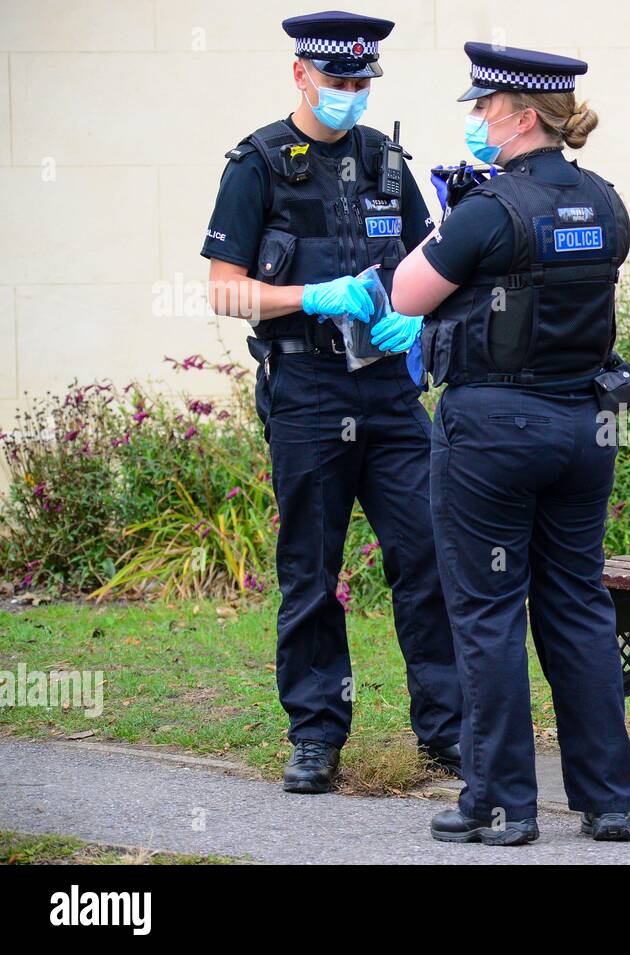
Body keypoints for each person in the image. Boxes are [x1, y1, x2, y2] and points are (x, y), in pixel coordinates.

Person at [201, 10, 462, 794]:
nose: (350, 94)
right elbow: (223, 291)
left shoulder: (386, 161)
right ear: (301, 75)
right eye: (338, 81)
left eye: (360, 83)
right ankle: (316, 734)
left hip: (386, 388)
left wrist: (410, 314)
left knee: (427, 554)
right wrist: (313, 294)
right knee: (309, 568)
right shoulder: (257, 165)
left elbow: (434, 258)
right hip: (308, 389)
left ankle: (447, 734)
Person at [386, 42, 630, 846]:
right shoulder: (605, 202)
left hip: (493, 434)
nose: (477, 120)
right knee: (577, 607)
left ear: (525, 116)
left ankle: (501, 804)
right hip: (583, 429)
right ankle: (607, 801)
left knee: (488, 613)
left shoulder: (488, 211)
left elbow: (404, 291)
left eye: (486, 107)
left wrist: (461, 225)